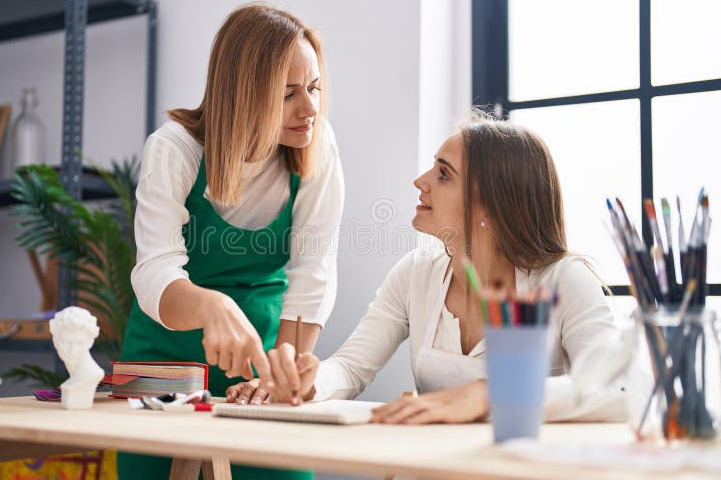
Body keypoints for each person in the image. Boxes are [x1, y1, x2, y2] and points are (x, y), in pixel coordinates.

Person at [229, 115, 628, 426]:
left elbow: (618, 388)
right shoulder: (416, 273)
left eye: (443, 173)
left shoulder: (566, 280)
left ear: (491, 205)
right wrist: (307, 383)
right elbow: (350, 367)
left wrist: (491, 394)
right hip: (436, 474)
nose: (420, 181)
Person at [118, 3, 344, 480]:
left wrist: (279, 371)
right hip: (162, 371)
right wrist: (211, 304)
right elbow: (155, 268)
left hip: (262, 371)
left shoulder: (316, 147)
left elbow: (313, 270)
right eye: (288, 94)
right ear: (244, 93)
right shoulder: (175, 148)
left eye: (314, 88)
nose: (309, 109)